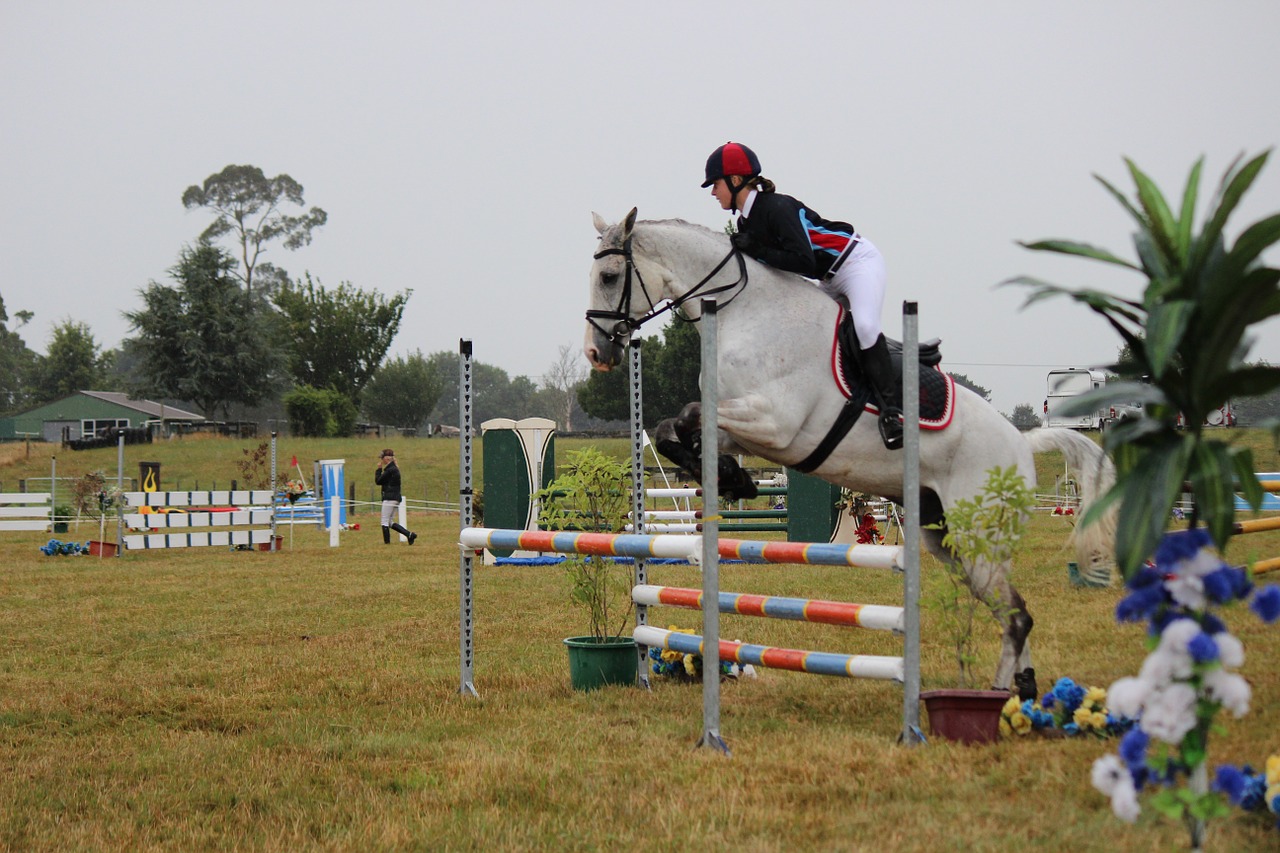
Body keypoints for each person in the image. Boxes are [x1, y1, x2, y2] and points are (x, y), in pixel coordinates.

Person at [701, 141, 902, 449]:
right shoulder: (746, 220)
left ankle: (891, 413)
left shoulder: (776, 208)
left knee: (863, 327)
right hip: (828, 278)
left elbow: (804, 262)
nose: (713, 192)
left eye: (715, 184)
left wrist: (758, 250)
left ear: (736, 180)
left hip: (855, 263)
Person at [375, 448, 417, 545]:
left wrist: (378, 469)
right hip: (395, 498)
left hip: (390, 498)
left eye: (382, 458)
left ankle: (387, 543)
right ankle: (409, 535)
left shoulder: (390, 470)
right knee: (389, 522)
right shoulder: (394, 469)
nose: (381, 460)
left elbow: (378, 481)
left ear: (386, 459)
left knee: (384, 521)